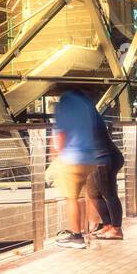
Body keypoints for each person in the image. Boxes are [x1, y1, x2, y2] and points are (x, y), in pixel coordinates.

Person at [52, 90, 104, 249]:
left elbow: (61, 132)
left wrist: (55, 154)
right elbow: (97, 128)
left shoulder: (65, 102)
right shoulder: (87, 104)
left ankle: (76, 236)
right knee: (90, 195)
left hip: (71, 158)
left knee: (71, 198)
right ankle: (92, 229)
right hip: (90, 157)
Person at [84, 116, 125, 240]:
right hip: (97, 159)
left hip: (104, 158)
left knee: (109, 194)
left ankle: (117, 229)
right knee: (93, 193)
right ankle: (108, 225)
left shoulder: (87, 116)